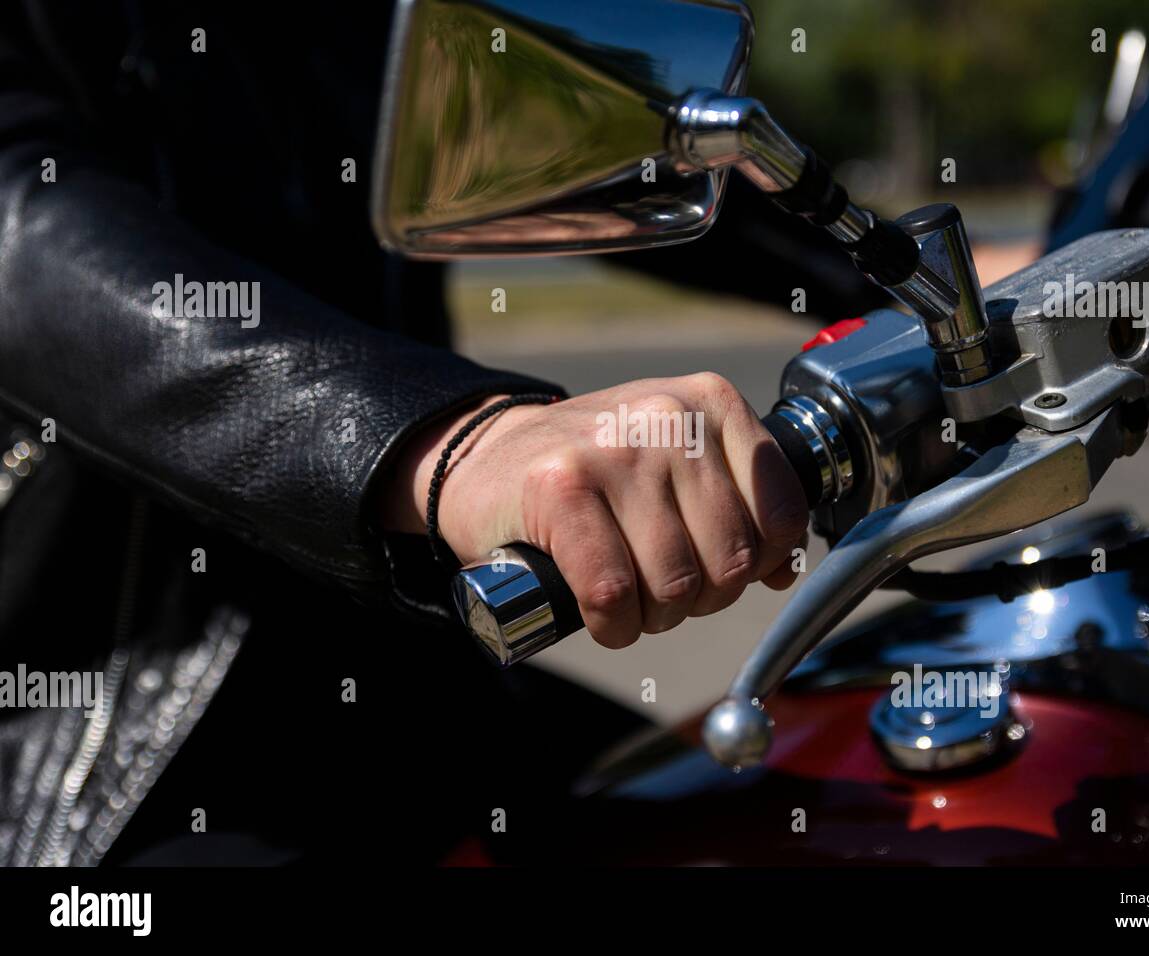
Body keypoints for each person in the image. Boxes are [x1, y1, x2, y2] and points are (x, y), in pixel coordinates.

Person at [0, 3, 898, 865]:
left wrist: (890, 267)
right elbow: (23, 235)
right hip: (122, 727)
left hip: (408, 668)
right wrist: (450, 445)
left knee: (819, 821)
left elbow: (565, 136)